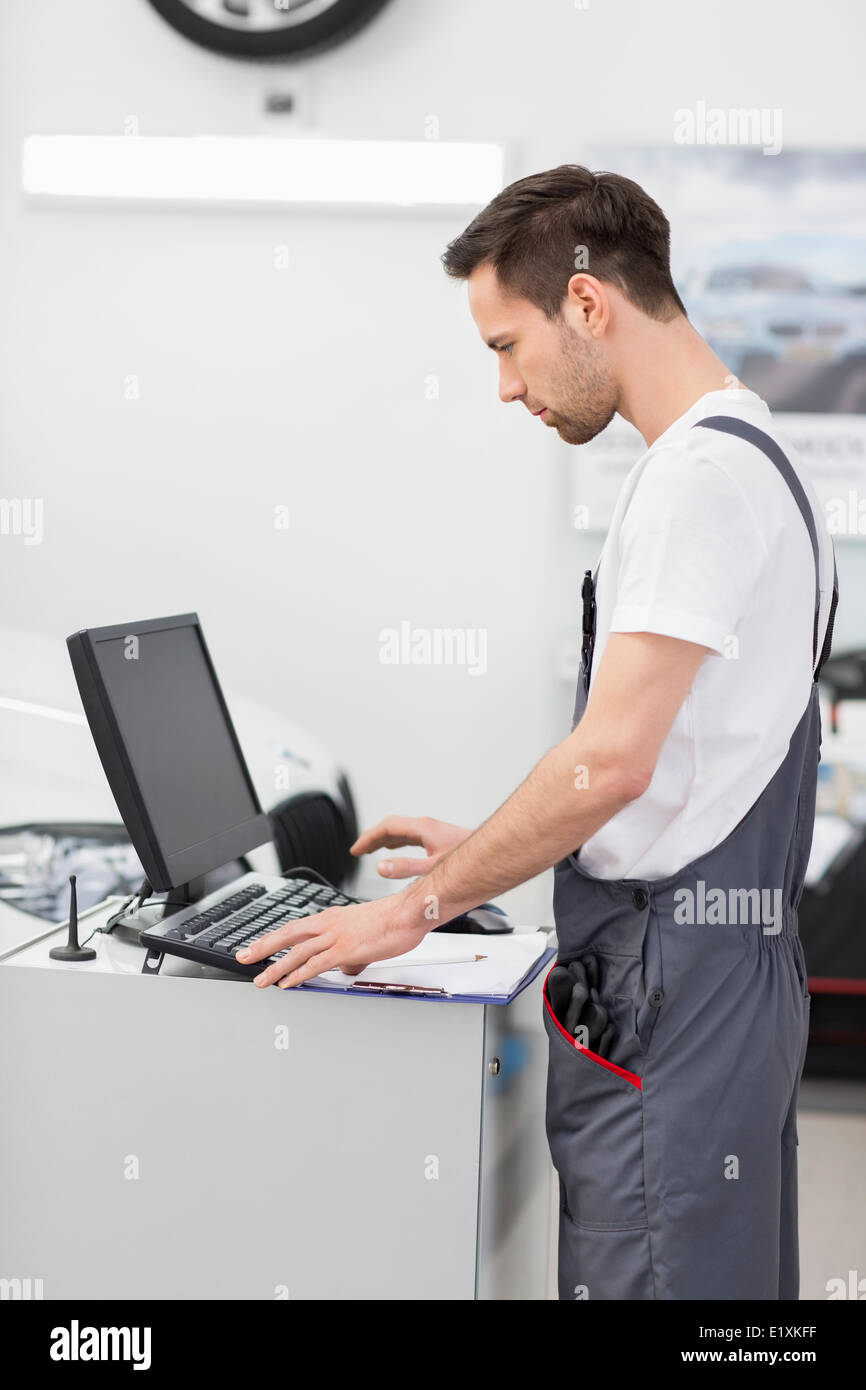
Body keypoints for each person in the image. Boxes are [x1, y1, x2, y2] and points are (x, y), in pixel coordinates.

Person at [238, 165, 838, 1300]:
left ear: (586, 304)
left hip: (671, 993)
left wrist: (409, 911)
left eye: (504, 345)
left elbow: (607, 761)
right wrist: (484, 849)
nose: (505, 389)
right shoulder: (752, 457)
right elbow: (692, 768)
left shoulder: (696, 480)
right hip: (721, 971)